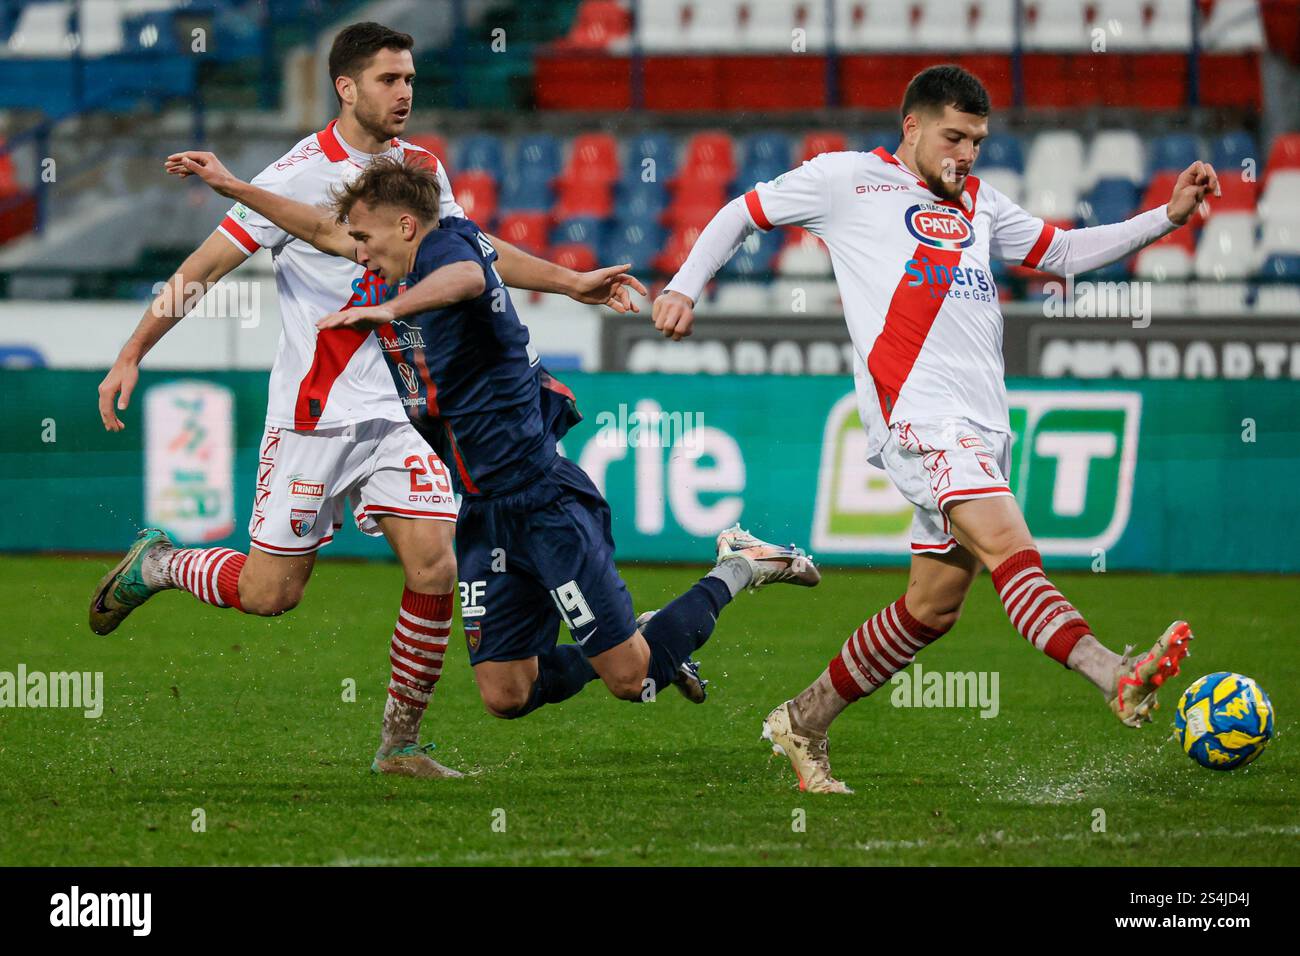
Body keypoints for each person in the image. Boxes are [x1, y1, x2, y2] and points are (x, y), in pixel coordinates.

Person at [89, 22, 644, 779]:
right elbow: (203, 267)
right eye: (390, 79)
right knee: (269, 593)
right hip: (316, 415)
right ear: (346, 88)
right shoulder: (296, 173)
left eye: (411, 77)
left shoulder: (420, 167)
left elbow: (472, 250)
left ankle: (399, 745)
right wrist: (131, 353)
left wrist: (569, 281)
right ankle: (157, 565)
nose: (406, 91)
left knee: (434, 567)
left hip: (408, 413)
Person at [650, 64, 1213, 793]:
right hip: (919, 419)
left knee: (932, 607)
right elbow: (741, 212)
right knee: (1012, 545)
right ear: (912, 127)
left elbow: (1065, 254)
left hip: (981, 425)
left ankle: (804, 720)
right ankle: (1115, 672)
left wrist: (1164, 218)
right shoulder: (846, 180)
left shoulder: (979, 200)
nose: (967, 154)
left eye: (977, 140)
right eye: (954, 137)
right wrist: (684, 287)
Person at [168, 147, 822, 721]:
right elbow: (316, 227)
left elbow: (471, 276)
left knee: (634, 680)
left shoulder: (446, 253)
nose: (356, 254)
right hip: (483, 509)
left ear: (404, 225)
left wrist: (392, 308)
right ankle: (637, 634)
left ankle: (740, 566)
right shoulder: (399, 252)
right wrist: (234, 188)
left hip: (542, 503)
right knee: (508, 693)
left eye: (365, 240)